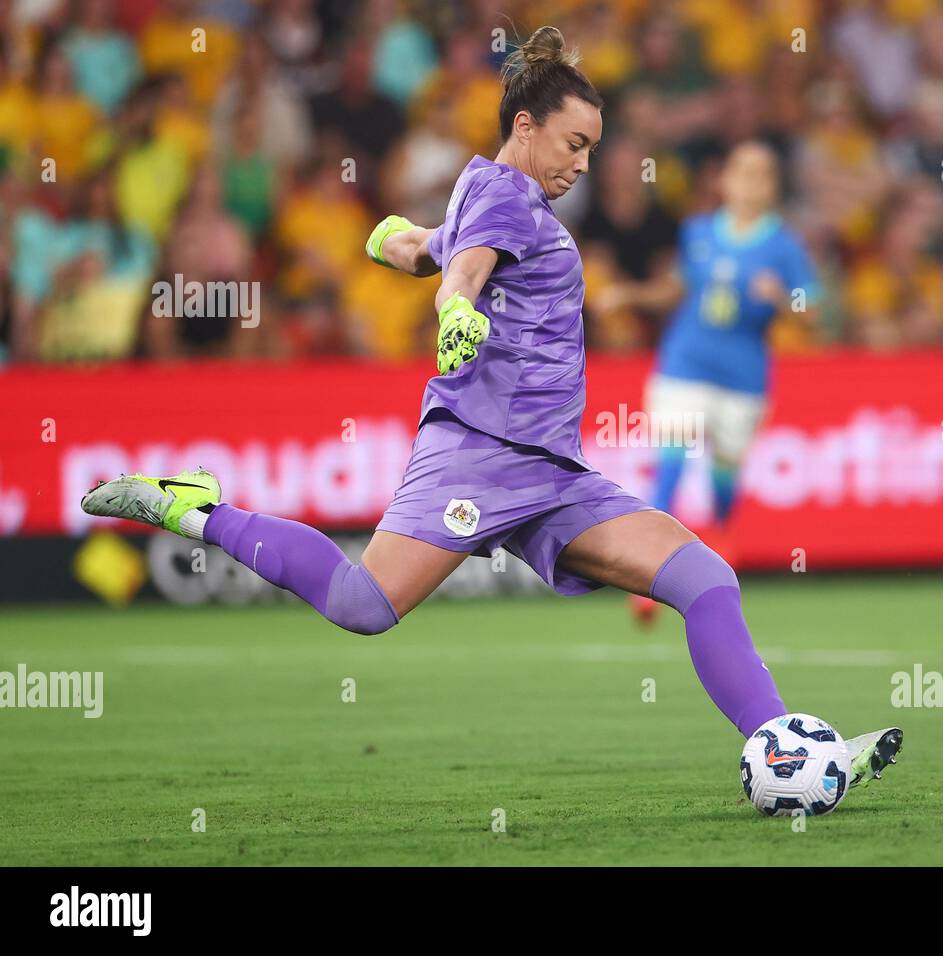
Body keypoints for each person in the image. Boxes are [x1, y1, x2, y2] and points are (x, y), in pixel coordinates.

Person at [81, 26, 900, 792]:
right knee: (365, 607)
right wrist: (455, 309)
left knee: (703, 577)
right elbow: (460, 276)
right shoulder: (505, 200)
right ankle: (199, 511)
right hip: (478, 453)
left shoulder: (489, 194)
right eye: (574, 144)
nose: (582, 163)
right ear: (526, 125)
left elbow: (432, 250)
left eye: (593, 150)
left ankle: (782, 748)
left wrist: (398, 242)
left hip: (551, 473)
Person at [596, 140, 819, 625]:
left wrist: (783, 298)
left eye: (761, 173)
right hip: (685, 363)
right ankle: (648, 570)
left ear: (772, 186)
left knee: (724, 473)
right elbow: (677, 288)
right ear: (725, 180)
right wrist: (632, 294)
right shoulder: (698, 232)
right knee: (670, 462)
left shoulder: (784, 246)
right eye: (741, 170)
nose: (749, 181)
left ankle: (721, 532)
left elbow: (813, 309)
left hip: (743, 378)